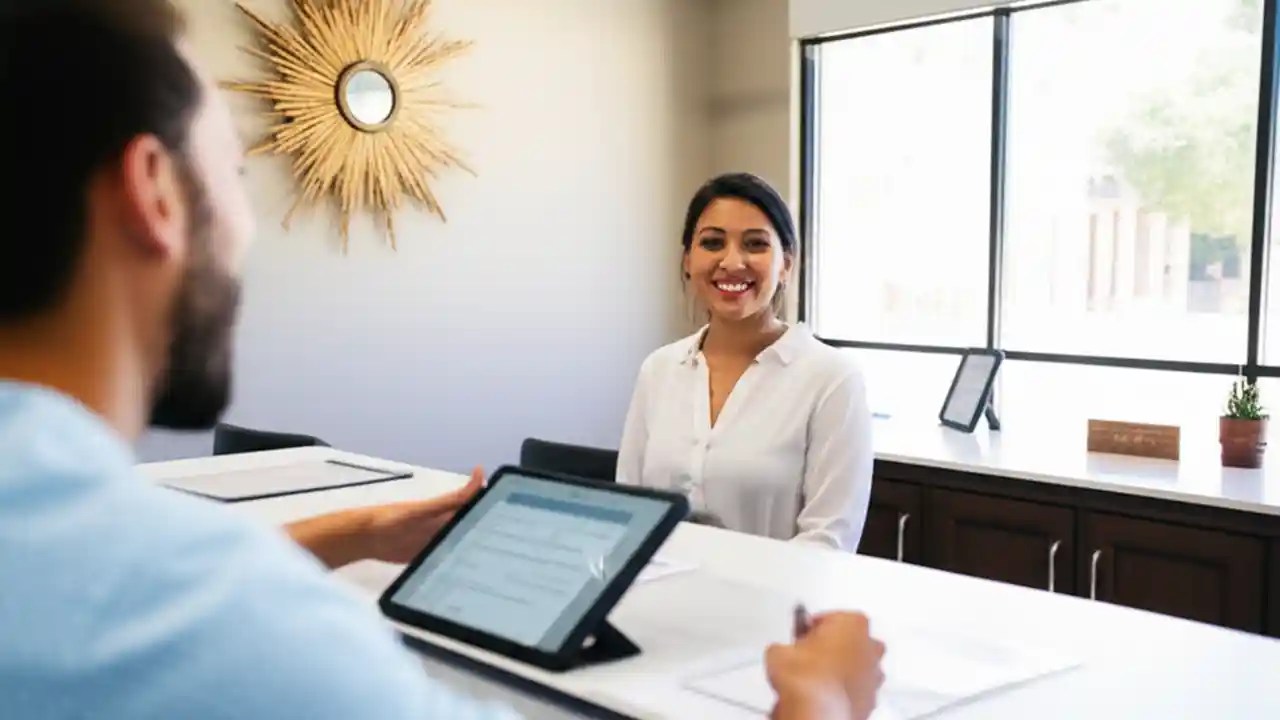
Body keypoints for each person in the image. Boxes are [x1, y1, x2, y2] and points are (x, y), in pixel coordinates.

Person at [0, 2, 883, 719]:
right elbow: (181, 586)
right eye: (233, 174)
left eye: (756, 245)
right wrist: (821, 700)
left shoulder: (75, 547)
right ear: (153, 192)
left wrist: (360, 531)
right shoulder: (234, 628)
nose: (248, 225)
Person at [618, 173, 874, 551]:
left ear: (785, 264)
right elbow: (628, 512)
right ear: (688, 260)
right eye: (712, 243)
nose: (732, 261)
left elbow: (828, 541)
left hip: (771, 606)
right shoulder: (658, 370)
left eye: (755, 244)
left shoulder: (832, 379)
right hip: (656, 599)